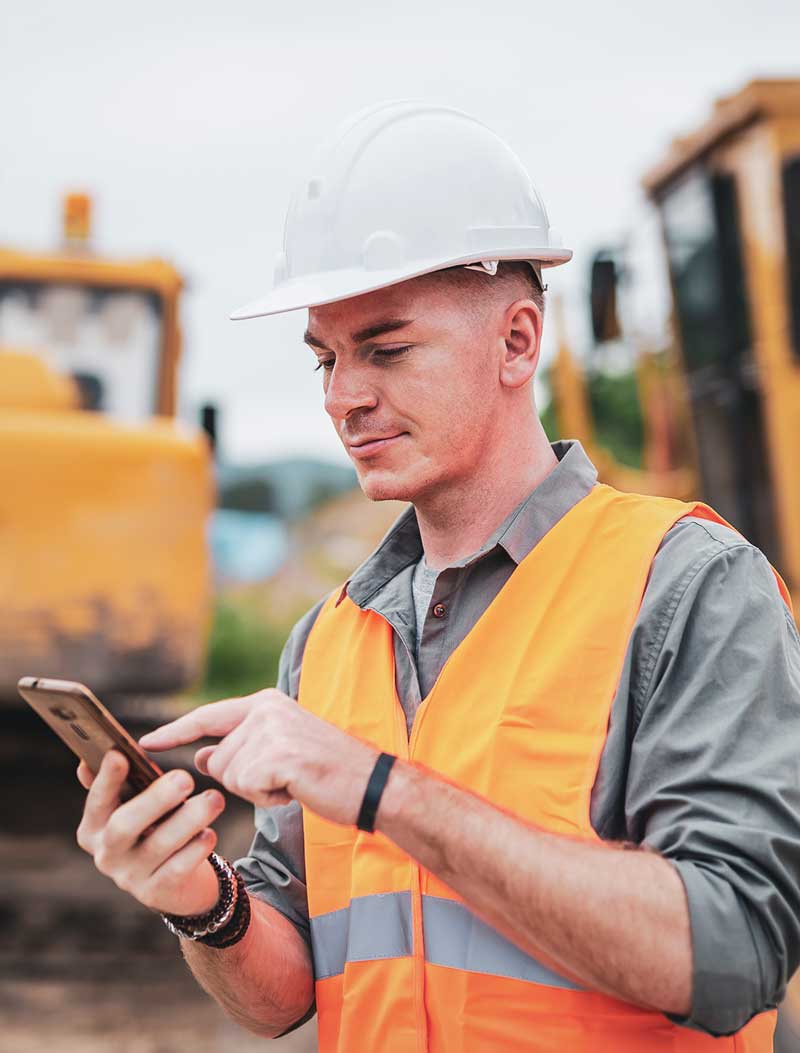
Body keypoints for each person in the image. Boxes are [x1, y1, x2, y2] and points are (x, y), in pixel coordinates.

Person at [75, 102, 800, 1051]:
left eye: (385, 347)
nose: (344, 396)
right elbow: (285, 997)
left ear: (516, 341)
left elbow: (737, 953)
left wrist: (381, 787)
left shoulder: (686, 587)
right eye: (327, 358)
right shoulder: (329, 640)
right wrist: (202, 904)